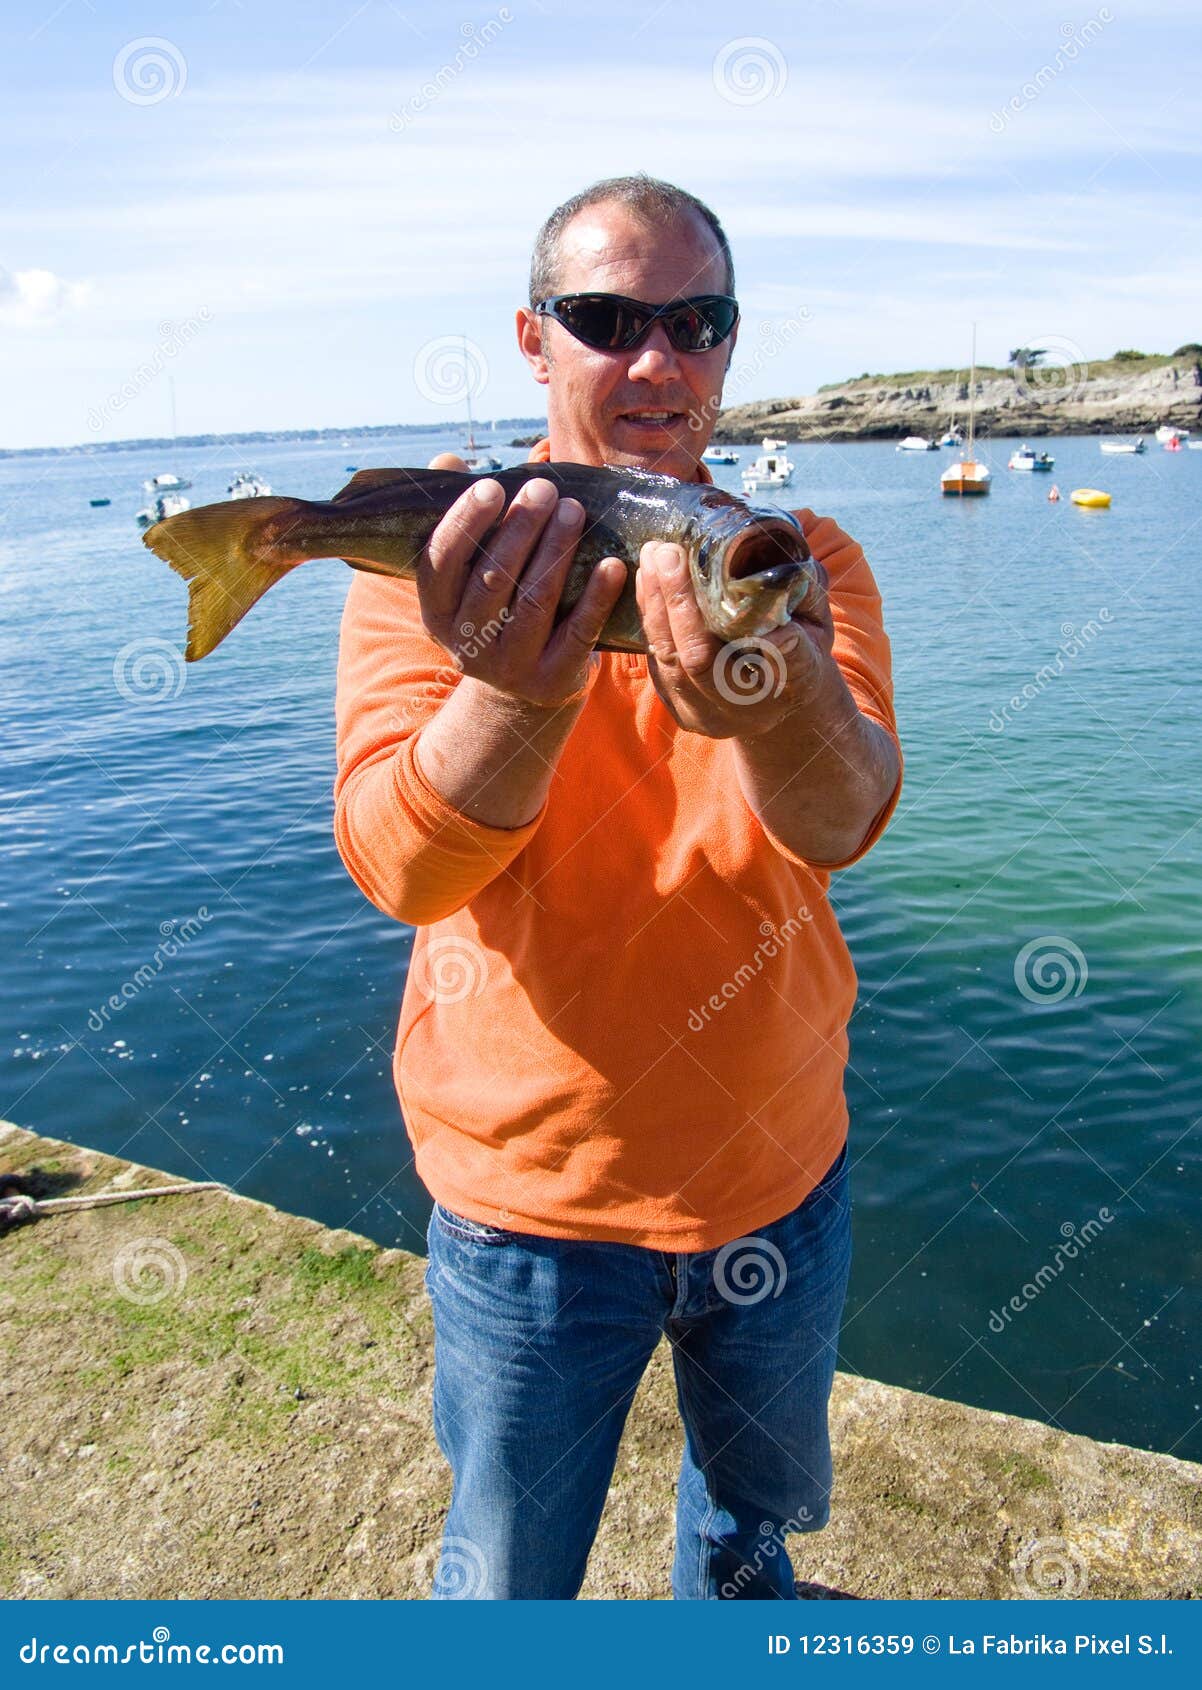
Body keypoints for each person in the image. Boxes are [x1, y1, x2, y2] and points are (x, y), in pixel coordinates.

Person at [333, 175, 903, 1600]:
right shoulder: (444, 566)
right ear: (534, 338)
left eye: (696, 323)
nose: (658, 360)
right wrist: (511, 695)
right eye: (606, 319)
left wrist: (778, 699)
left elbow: (842, 819)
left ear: (729, 344)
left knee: (750, 1535)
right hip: (530, 1203)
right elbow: (402, 866)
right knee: (507, 1578)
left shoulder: (800, 562)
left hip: (778, 1171)